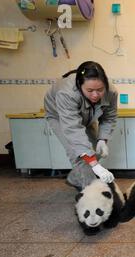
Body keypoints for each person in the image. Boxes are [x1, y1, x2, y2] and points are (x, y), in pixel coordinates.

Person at [44, 61, 117, 191]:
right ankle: (92, 196)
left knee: (95, 151)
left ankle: (73, 178)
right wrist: (94, 165)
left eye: (100, 90)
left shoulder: (111, 92)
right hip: (60, 117)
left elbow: (109, 117)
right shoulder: (66, 93)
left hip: (87, 116)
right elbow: (73, 130)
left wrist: (102, 139)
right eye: (90, 90)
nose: (95, 95)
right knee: (78, 154)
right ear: (79, 86)